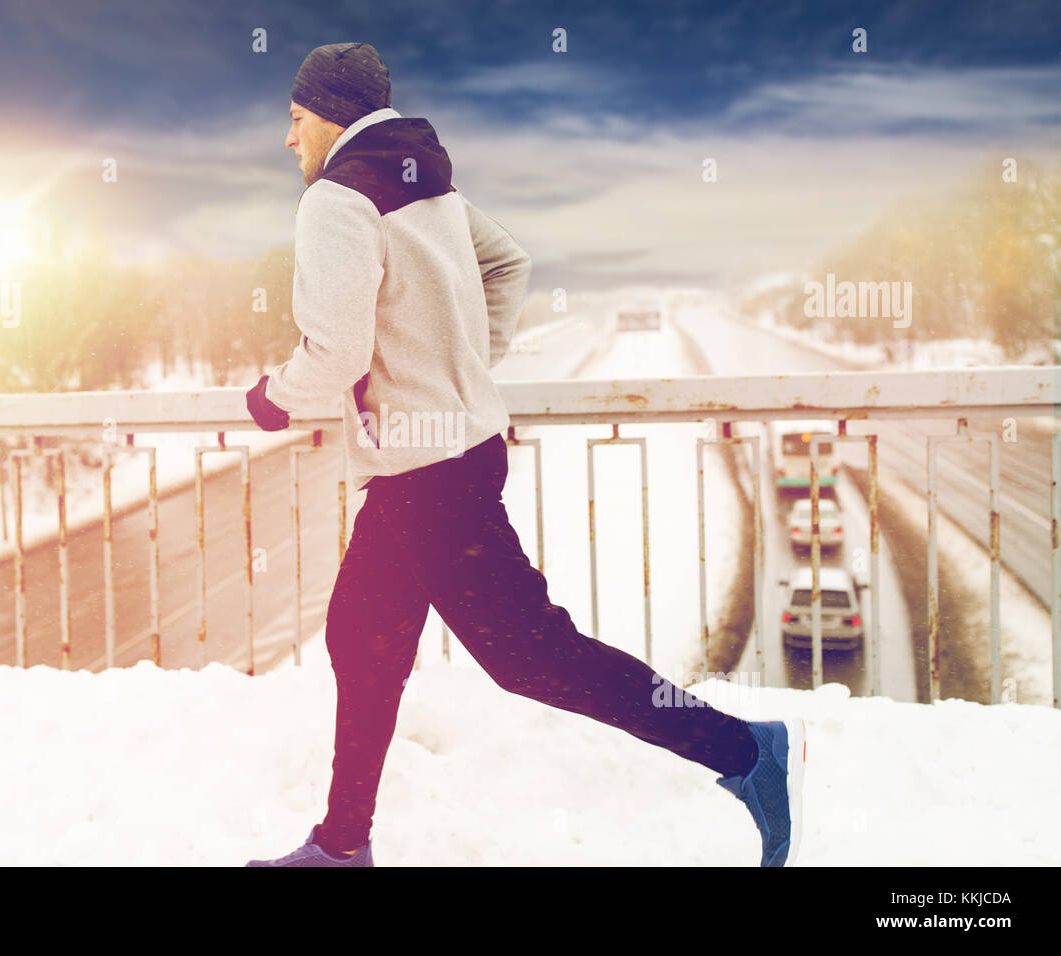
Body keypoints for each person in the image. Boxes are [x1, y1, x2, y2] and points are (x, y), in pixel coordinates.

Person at [243, 42, 806, 867]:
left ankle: (746, 751)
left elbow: (332, 352)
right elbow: (508, 261)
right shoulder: (419, 180)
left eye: (295, 120)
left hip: (425, 479)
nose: (288, 140)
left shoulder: (335, 200)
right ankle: (342, 843)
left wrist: (267, 398)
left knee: (531, 656)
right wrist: (468, 360)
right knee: (360, 639)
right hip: (448, 460)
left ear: (330, 112)